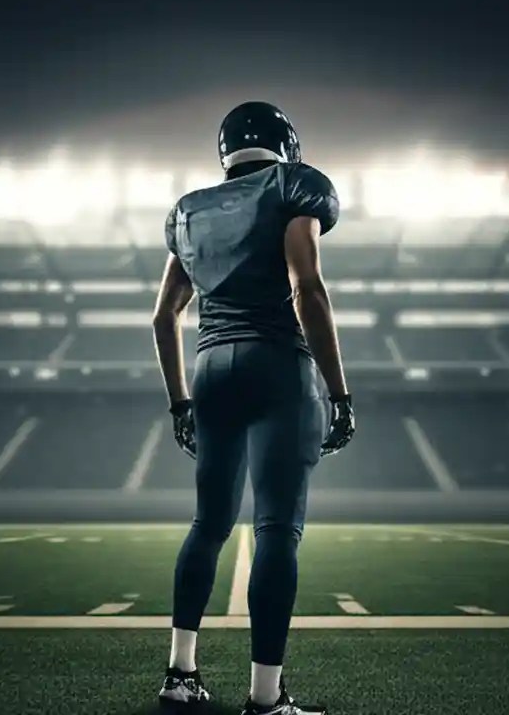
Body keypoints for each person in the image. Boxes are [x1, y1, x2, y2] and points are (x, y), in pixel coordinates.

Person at [151, 101, 356, 715]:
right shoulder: (297, 186)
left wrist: (179, 402)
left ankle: (180, 674)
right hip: (276, 363)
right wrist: (340, 391)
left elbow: (164, 316)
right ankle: (266, 698)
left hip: (211, 369)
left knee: (208, 525)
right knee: (276, 529)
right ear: (285, 144)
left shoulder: (188, 211)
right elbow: (306, 288)